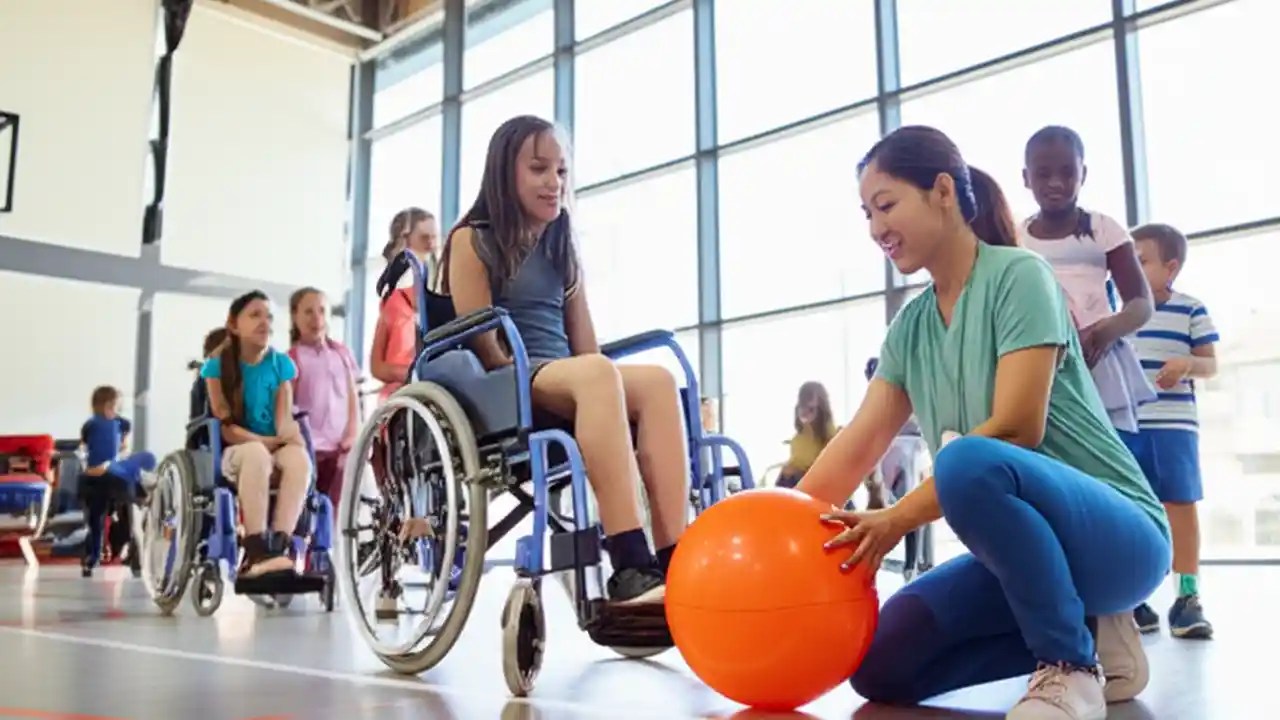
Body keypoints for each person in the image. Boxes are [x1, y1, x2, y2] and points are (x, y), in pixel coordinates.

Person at [800, 126, 1170, 719]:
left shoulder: (1019, 276)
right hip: (1025, 560)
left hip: (1121, 538)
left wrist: (896, 518)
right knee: (880, 664)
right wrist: (779, 526)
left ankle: (1069, 667)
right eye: (867, 213)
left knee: (967, 461)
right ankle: (1093, 637)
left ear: (943, 192)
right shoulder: (911, 328)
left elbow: (1017, 428)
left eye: (886, 205)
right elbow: (855, 446)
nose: (875, 228)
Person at [438, 114, 689, 605]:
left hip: (571, 376)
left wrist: (602, 388)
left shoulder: (560, 239)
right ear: (504, 172)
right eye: (539, 169)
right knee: (595, 375)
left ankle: (674, 558)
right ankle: (630, 563)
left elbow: (585, 342)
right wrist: (582, 377)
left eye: (560, 171)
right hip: (507, 379)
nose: (554, 182)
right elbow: (480, 336)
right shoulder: (471, 238)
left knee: (658, 380)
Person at [1018, 126, 1155, 433]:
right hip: (1040, 359)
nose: (1055, 182)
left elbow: (1141, 303)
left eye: (1067, 173)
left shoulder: (1103, 228)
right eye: (1043, 174)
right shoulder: (1017, 238)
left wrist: (1105, 331)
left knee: (1106, 444)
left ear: (1084, 174)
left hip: (1097, 355)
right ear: (1026, 178)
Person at [1124, 223, 1219, 640]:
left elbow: (1210, 363)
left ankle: (1187, 597)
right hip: (1125, 425)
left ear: (1171, 268)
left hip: (1174, 426)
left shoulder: (1189, 309)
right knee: (1130, 509)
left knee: (1180, 504)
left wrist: (1187, 365)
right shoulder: (1117, 311)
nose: (1130, 268)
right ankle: (1133, 596)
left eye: (1141, 261)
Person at [201, 290, 320, 593]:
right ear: (234, 324)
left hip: (272, 446)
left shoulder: (280, 364)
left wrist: (290, 436)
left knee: (298, 460)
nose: (264, 322)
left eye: (268, 316)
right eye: (255, 315)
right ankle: (256, 550)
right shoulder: (216, 366)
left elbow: (283, 419)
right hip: (236, 452)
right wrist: (267, 441)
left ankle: (279, 547)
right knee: (255, 453)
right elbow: (226, 428)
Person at [288, 287, 359, 515]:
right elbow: (286, 407)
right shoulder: (292, 359)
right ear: (295, 316)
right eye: (308, 312)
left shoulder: (342, 353)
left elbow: (352, 397)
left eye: (322, 311)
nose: (316, 318)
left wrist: (352, 434)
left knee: (337, 509)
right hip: (310, 448)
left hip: (341, 446)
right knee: (307, 509)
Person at [79, 385, 157, 578]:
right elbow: (91, 449)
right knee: (112, 517)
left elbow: (118, 447)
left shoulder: (108, 424)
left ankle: (104, 554)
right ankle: (110, 555)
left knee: (107, 518)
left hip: (104, 476)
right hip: (106, 477)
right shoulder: (102, 425)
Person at [777, 382, 838, 491]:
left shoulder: (833, 437)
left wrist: (796, 472)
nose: (805, 413)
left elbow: (830, 474)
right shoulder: (799, 437)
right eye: (802, 407)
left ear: (821, 410)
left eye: (810, 409)